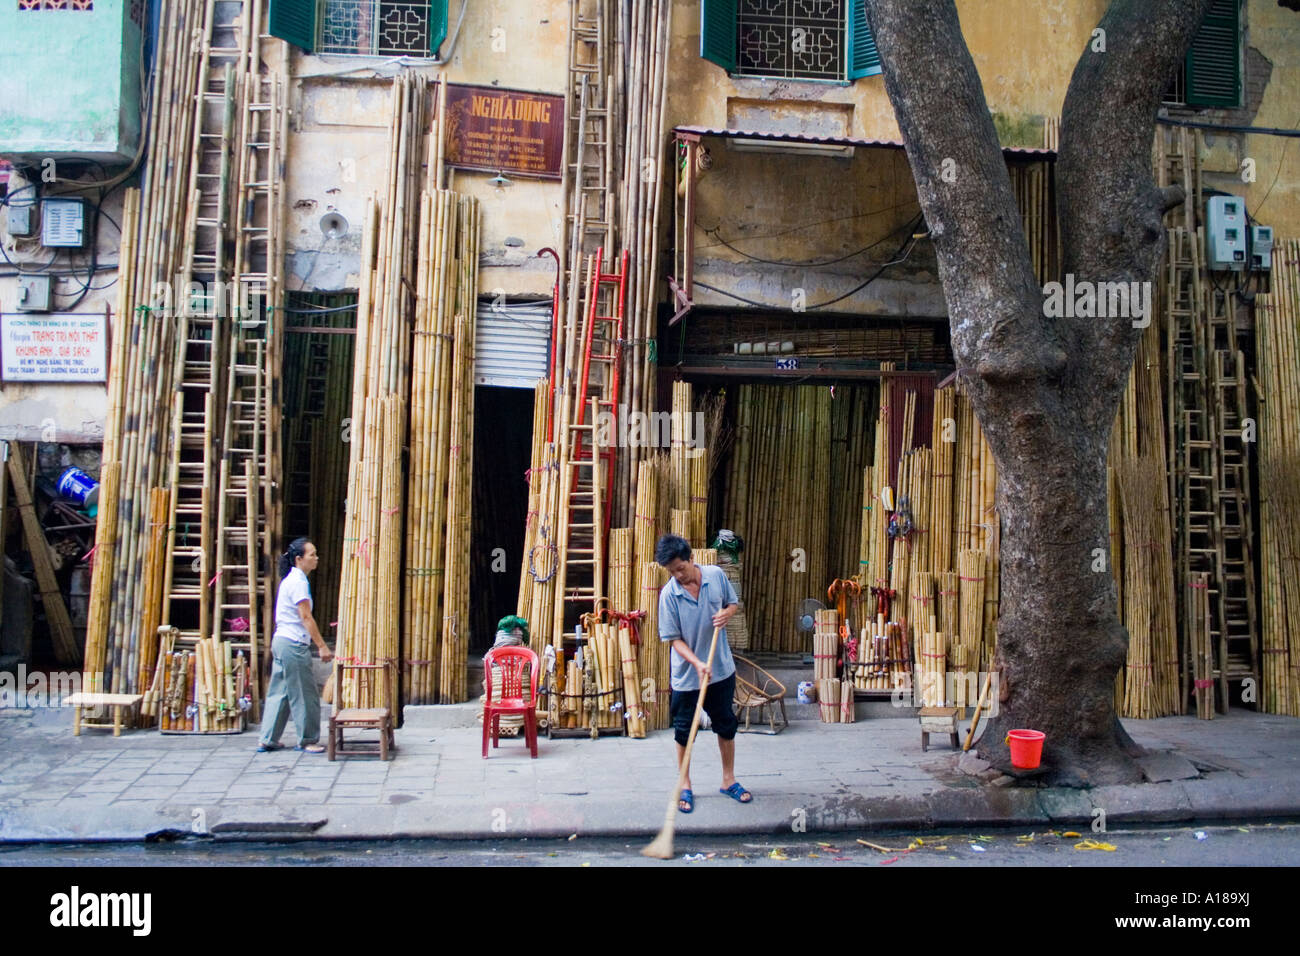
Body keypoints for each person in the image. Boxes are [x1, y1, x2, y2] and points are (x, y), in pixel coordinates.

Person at [655, 533, 751, 813]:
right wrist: (697, 663)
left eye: (680, 568)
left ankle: (728, 780)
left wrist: (728, 613)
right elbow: (673, 639)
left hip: (720, 668)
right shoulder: (669, 595)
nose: (677, 575)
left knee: (726, 724)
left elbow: (732, 603)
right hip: (687, 676)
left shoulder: (716, 576)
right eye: (671, 571)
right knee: (685, 730)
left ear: (691, 559)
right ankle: (685, 784)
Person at [258, 537, 333, 753]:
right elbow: (306, 617)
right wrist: (321, 646)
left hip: (280, 641)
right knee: (305, 693)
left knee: (280, 692)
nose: (316, 558)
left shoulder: (289, 579)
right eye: (312, 555)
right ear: (299, 559)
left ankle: (267, 738)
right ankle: (308, 739)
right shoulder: (299, 582)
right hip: (293, 644)